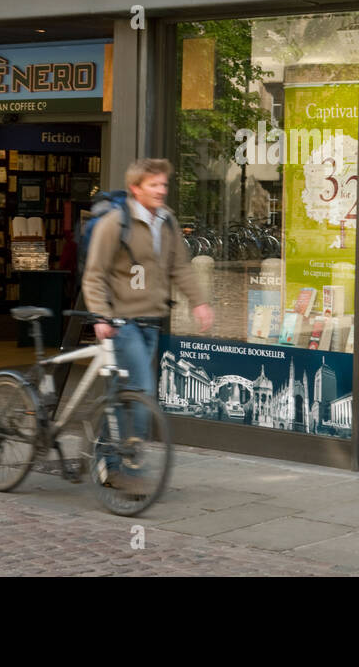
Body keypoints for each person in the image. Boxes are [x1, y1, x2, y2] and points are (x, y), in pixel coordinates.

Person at [82, 158, 214, 490]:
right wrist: (100, 315)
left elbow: (180, 268)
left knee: (121, 395)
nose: (161, 190)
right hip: (121, 321)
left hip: (151, 321)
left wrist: (199, 302)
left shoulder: (167, 221)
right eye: (154, 185)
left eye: (163, 184)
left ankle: (104, 462)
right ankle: (129, 468)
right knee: (142, 390)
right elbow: (95, 274)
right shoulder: (115, 223)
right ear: (135, 188)